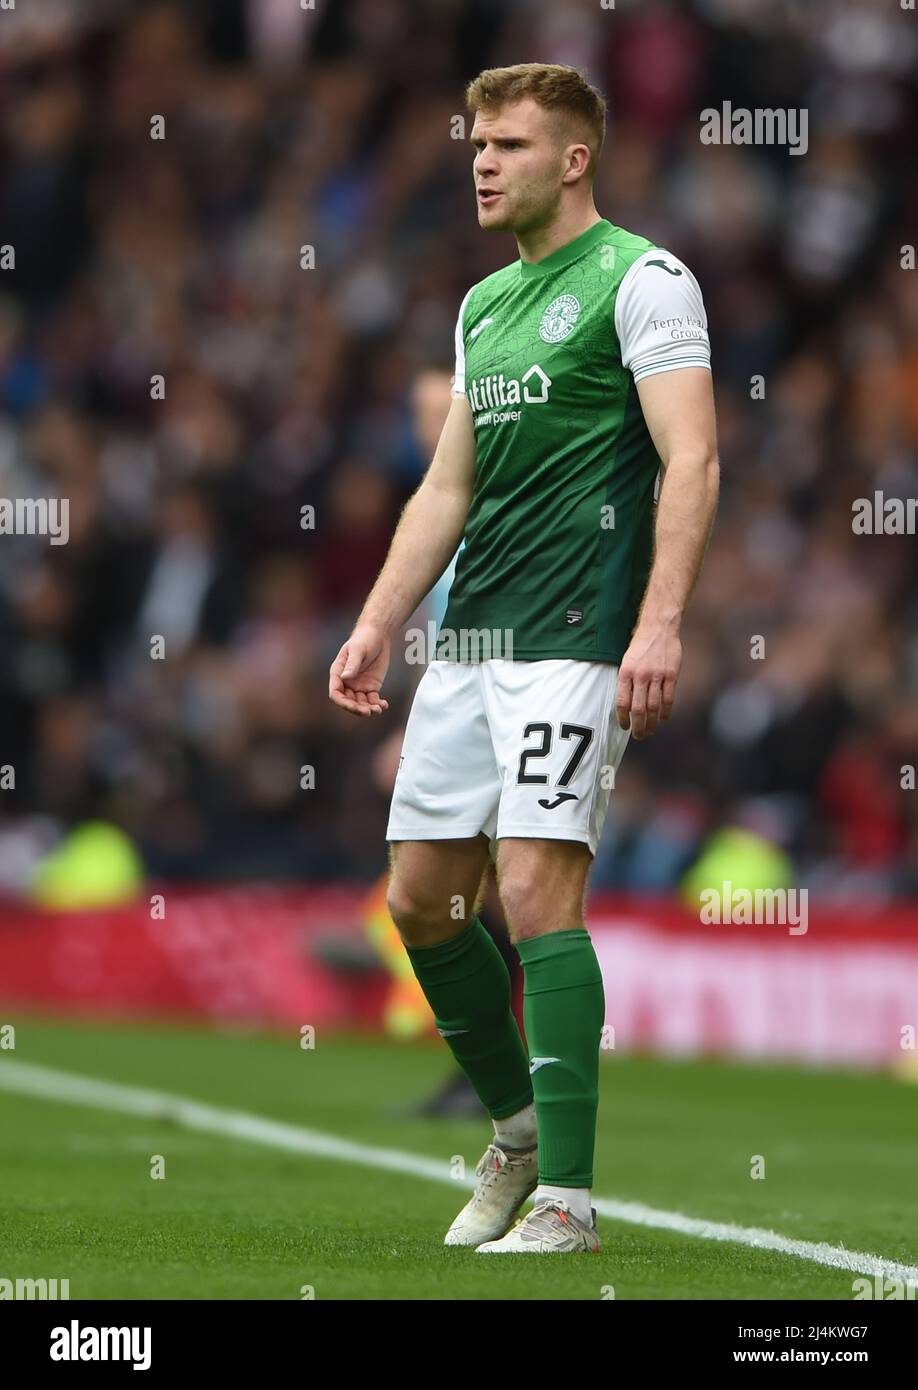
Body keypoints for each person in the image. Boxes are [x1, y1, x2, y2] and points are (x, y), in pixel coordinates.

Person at [329, 62, 719, 1254]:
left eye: (507, 143)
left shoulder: (644, 281)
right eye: (477, 144)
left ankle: (572, 1200)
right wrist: (380, 619)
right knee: (422, 903)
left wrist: (659, 625)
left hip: (573, 638)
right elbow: (449, 485)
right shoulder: (481, 308)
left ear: (575, 156)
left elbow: (692, 460)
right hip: (472, 641)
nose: (483, 162)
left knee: (541, 889)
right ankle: (515, 1133)